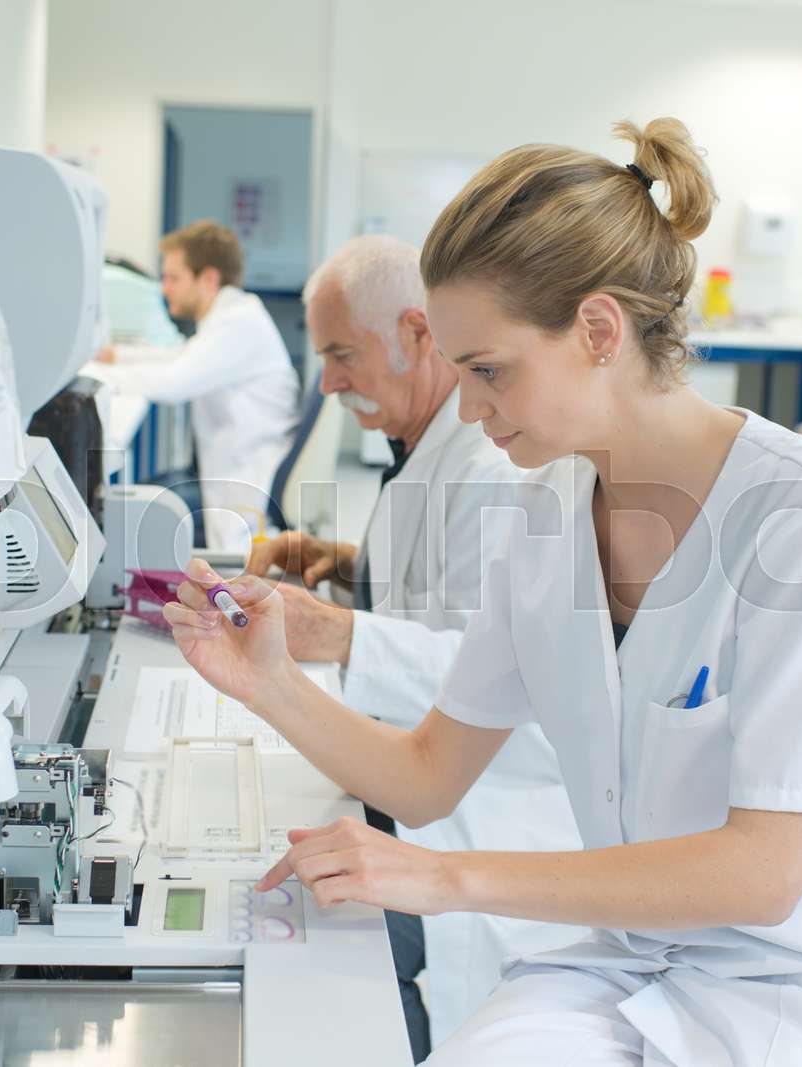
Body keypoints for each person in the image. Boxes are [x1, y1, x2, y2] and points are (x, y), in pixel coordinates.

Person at [164, 119, 802, 1065]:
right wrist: (267, 681)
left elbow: (764, 873)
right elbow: (429, 774)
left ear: (598, 330)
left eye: (489, 371)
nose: (467, 407)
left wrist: (444, 879)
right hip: (644, 967)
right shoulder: (553, 508)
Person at [244, 235, 584, 1055]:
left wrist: (337, 629)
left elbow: (497, 672)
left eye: (340, 355)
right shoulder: (432, 448)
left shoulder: (497, 468)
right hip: (418, 776)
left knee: (300, 931)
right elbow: (460, 598)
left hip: (487, 805)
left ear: (416, 332)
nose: (328, 383)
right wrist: (351, 569)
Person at [88, 220, 298, 550]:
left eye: (173, 277)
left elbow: (175, 381)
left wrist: (97, 377)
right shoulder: (230, 318)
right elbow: (178, 357)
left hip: (244, 483)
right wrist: (116, 357)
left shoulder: (238, 324)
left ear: (209, 279)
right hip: (227, 470)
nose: (163, 288)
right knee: (135, 499)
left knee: (125, 514)